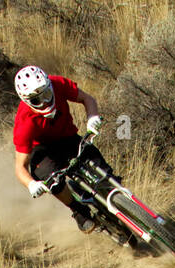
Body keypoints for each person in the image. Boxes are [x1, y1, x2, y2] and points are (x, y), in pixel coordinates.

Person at [12, 65, 112, 233]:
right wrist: (31, 185)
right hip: (42, 151)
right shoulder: (25, 123)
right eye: (36, 100)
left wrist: (92, 116)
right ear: (27, 101)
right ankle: (78, 210)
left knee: (99, 165)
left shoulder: (58, 84)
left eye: (46, 94)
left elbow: (87, 99)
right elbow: (20, 166)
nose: (44, 102)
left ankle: (115, 196)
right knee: (53, 182)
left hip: (68, 138)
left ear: (50, 86)